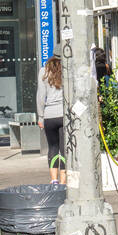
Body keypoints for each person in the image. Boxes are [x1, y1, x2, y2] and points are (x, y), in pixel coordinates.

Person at [36, 55, 66, 184]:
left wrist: (40, 116)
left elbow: (41, 96)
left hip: (49, 116)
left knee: (53, 148)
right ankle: (64, 181)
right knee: (64, 149)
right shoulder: (67, 69)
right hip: (64, 115)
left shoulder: (44, 71)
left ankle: (54, 180)